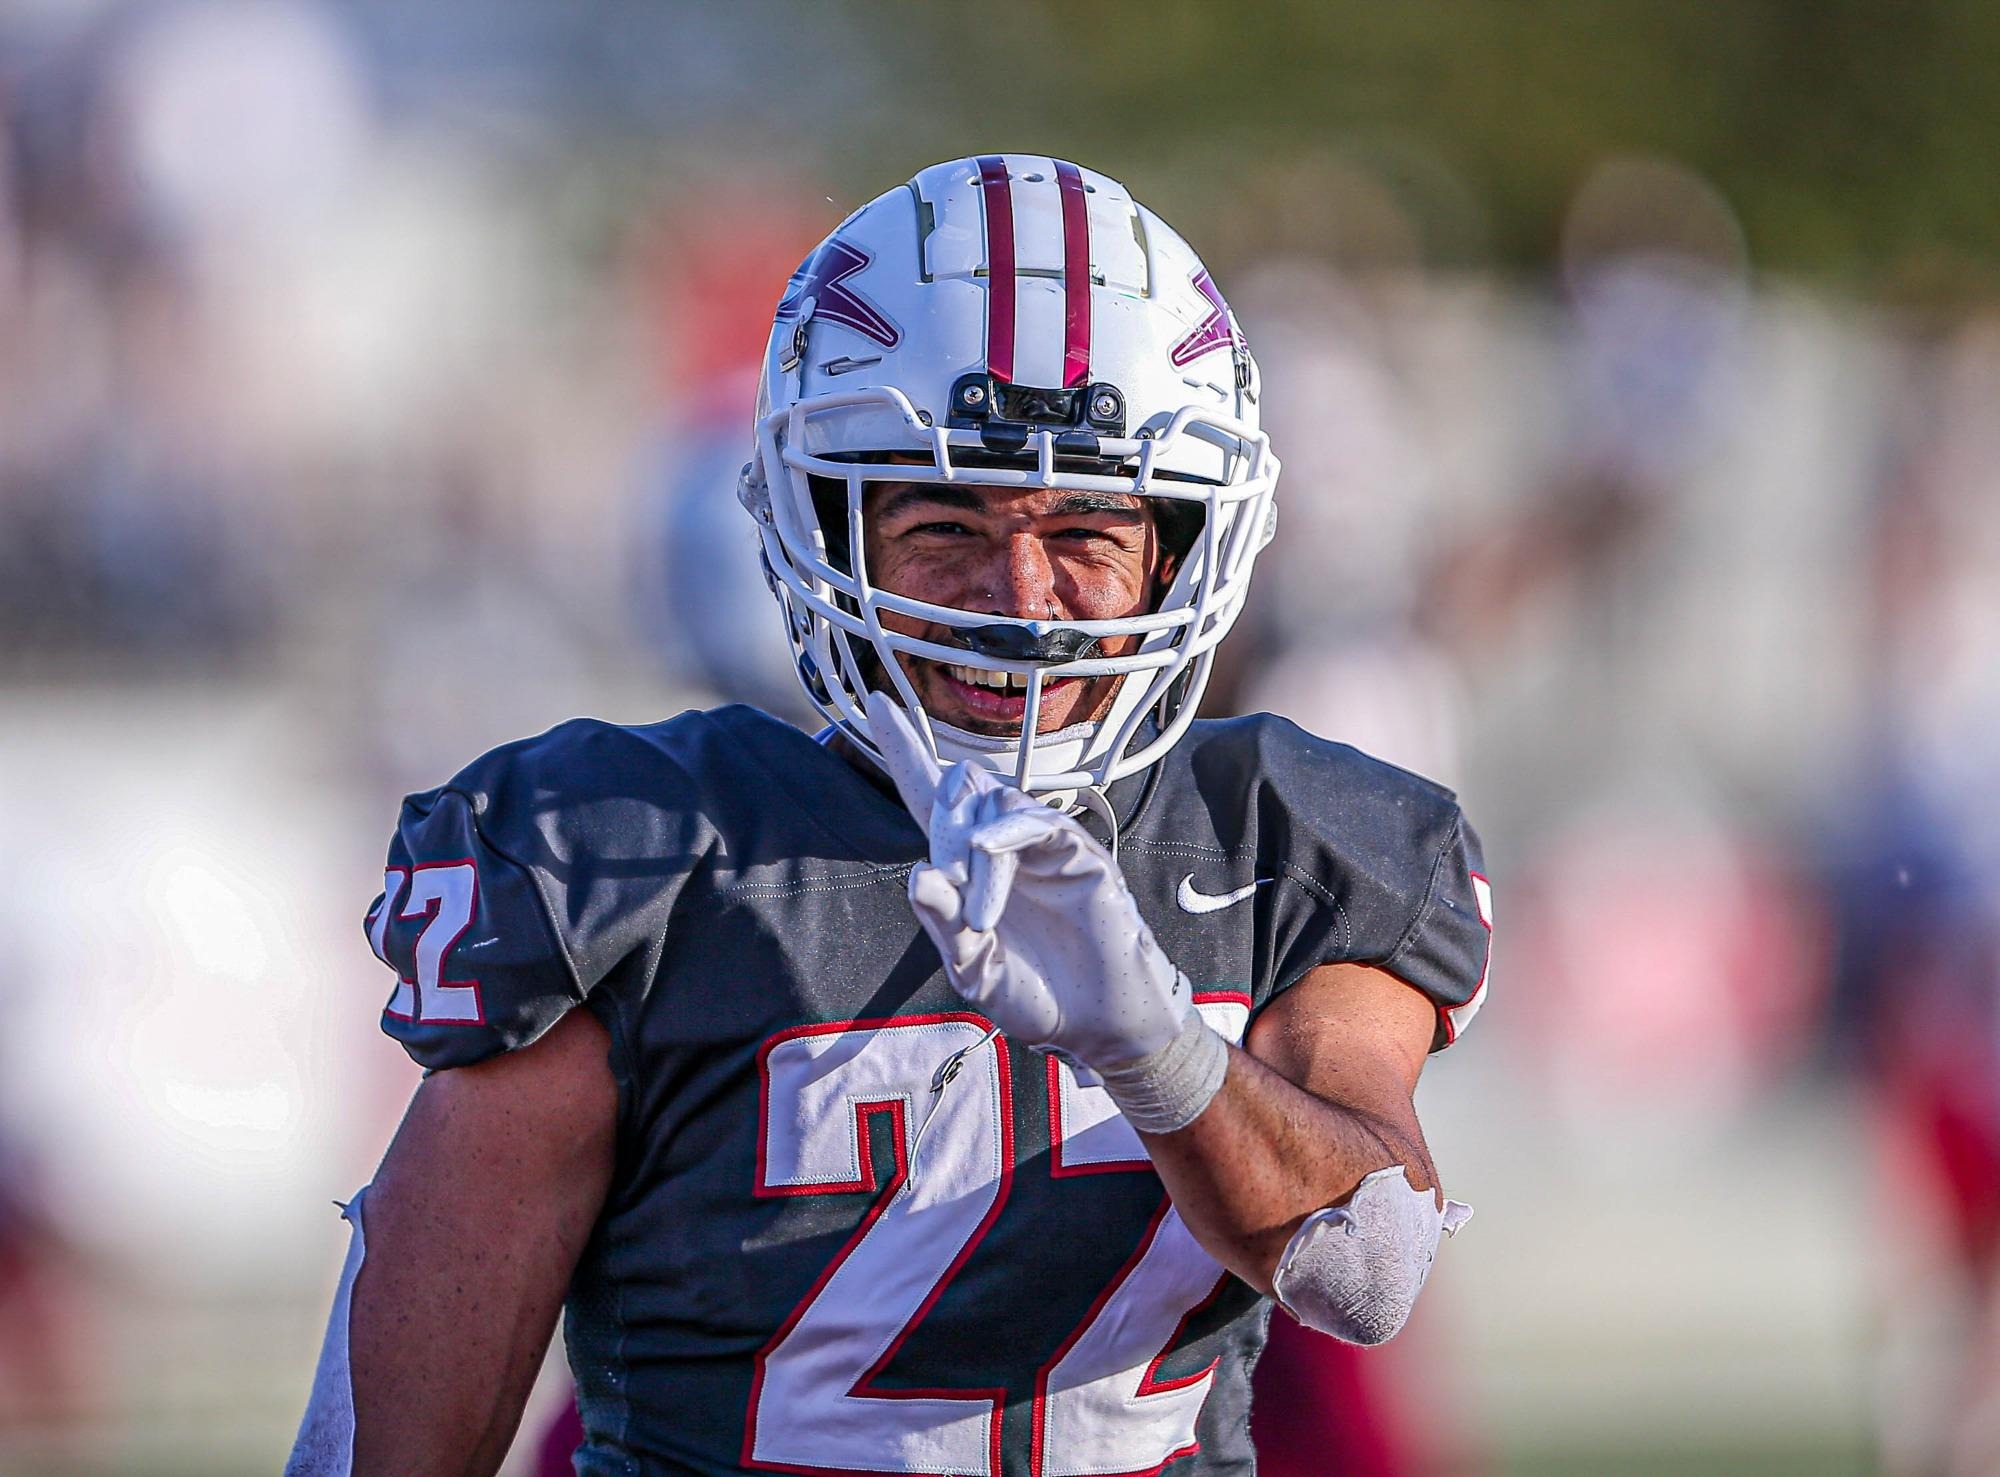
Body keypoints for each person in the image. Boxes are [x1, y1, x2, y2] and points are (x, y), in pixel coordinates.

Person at [288, 154, 1491, 1477]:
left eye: (1085, 530)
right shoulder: (630, 862)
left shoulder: (1280, 839)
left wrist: (1152, 1042)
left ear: (1184, 543)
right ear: (824, 529)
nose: (1019, 597)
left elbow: (1367, 1272)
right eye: (942, 522)